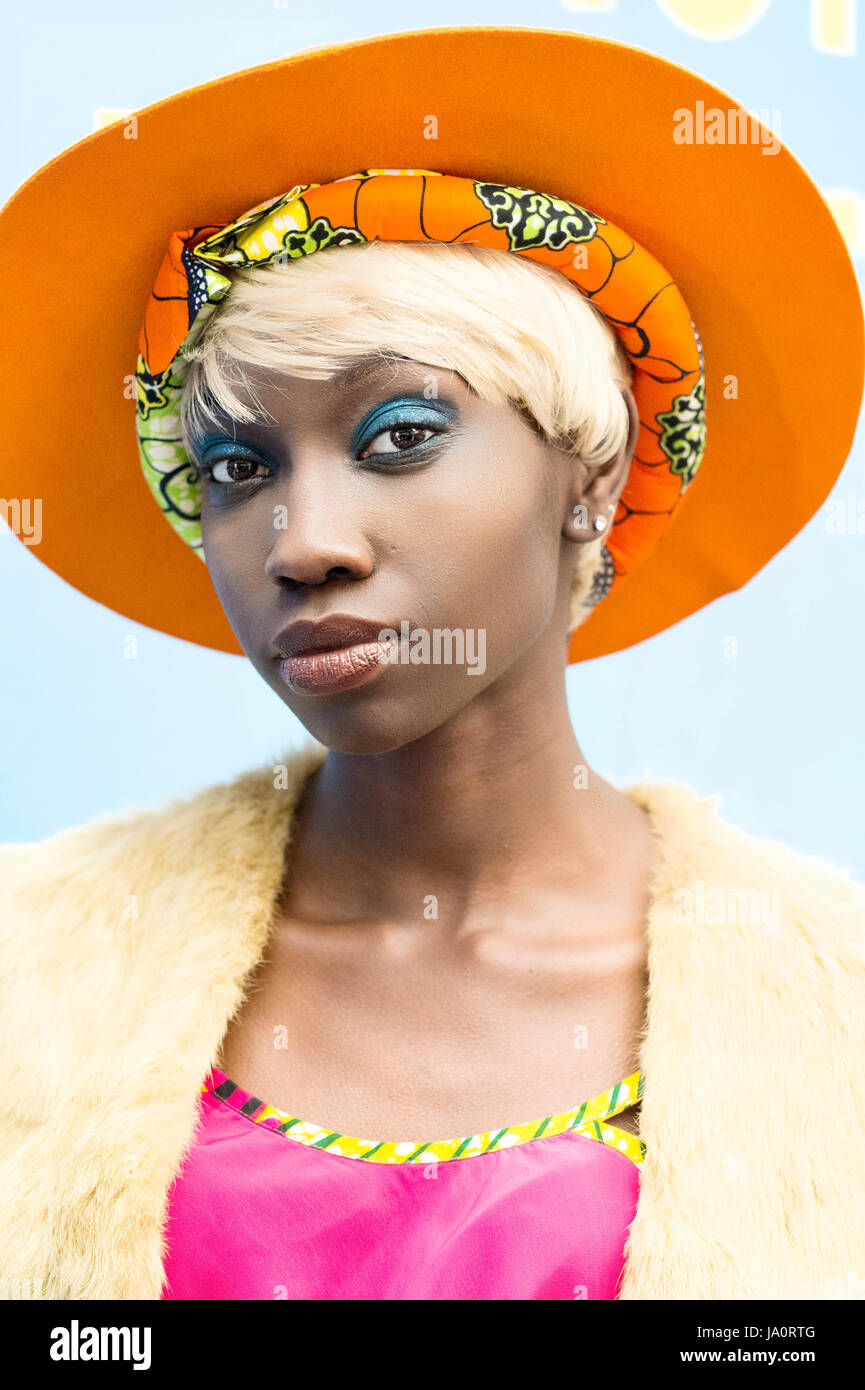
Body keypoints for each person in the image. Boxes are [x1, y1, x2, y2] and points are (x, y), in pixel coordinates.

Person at [0, 28, 863, 1303]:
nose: (306, 544)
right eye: (235, 471)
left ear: (591, 479)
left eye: (399, 433)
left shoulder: (835, 1003)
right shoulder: (30, 962)